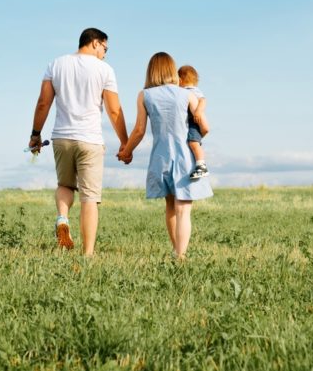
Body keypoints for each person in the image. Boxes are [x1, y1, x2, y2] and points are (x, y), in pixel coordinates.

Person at [29, 28, 129, 256]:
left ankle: (63, 218)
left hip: (62, 138)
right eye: (105, 48)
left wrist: (35, 134)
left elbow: (43, 103)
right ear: (95, 43)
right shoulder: (105, 70)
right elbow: (114, 110)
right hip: (90, 140)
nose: (105, 53)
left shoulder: (56, 64)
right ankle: (88, 253)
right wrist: (125, 142)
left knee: (65, 185)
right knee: (90, 198)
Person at [117, 52, 212, 259]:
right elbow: (205, 126)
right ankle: (181, 255)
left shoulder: (144, 95)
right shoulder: (186, 95)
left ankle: (176, 249)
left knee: (170, 206)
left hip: (160, 156)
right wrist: (196, 138)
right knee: (183, 209)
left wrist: (127, 151)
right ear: (171, 69)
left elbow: (139, 130)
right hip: (185, 155)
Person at [178, 65, 209, 179]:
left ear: (180, 80)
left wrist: (198, 112)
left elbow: (203, 100)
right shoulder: (188, 90)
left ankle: (201, 166)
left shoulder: (191, 90)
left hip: (193, 123)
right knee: (192, 144)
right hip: (190, 121)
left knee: (193, 143)